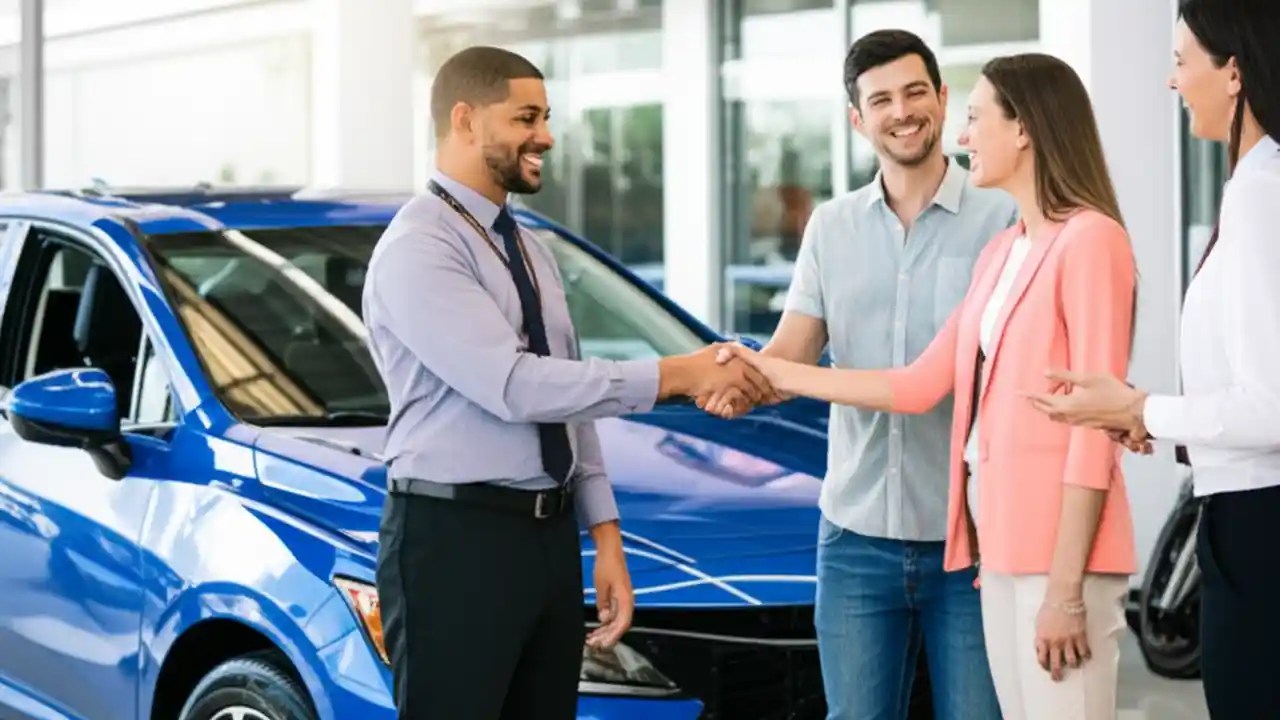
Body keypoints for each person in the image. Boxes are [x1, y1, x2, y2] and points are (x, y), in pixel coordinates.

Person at [714, 52, 1139, 719]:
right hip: (978, 544)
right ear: (858, 118)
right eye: (881, 99)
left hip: (1027, 550)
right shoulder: (1005, 250)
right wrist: (751, 367)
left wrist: (1066, 589)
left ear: (1022, 128)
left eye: (972, 116)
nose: (963, 135)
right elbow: (917, 385)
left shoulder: (1074, 237)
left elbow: (1092, 423)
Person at [362, 46, 773, 720]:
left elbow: (569, 401)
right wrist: (679, 374)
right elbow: (518, 385)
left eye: (547, 117)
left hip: (546, 544)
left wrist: (604, 536)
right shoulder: (421, 246)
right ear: (465, 121)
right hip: (453, 539)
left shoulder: (531, 248)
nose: (546, 137)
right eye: (527, 117)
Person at [706, 29, 1016, 719]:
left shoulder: (1006, 218)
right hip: (854, 539)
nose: (901, 112)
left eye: (914, 93)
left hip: (970, 543)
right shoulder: (830, 225)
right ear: (857, 118)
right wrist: (733, 374)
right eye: (881, 100)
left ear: (942, 98)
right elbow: (794, 350)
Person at [1025, 1, 1280, 717]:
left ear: (1233, 72)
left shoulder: (1262, 194)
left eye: (1179, 61)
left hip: (1258, 524)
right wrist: (1150, 418)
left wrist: (1138, 408)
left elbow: (1272, 405)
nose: (1171, 82)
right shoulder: (1255, 187)